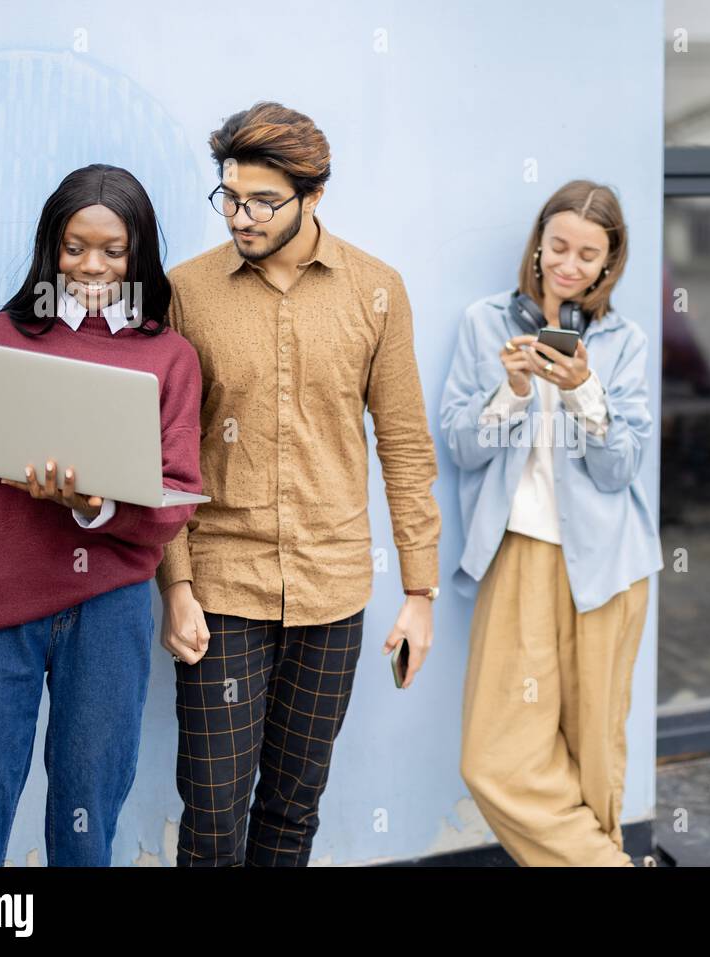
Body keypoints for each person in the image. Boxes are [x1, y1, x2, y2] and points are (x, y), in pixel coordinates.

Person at [0, 164, 204, 866]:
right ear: (50, 247)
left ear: (139, 253)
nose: (92, 265)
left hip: (110, 614)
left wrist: (97, 506)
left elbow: (176, 498)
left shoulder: (169, 357)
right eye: (74, 246)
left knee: (86, 830)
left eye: (113, 251)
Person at [155, 101, 442, 867]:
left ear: (313, 197)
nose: (240, 217)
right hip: (223, 585)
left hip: (333, 588)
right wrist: (176, 584)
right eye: (229, 196)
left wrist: (419, 592)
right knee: (212, 812)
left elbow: (406, 446)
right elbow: (165, 448)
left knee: (291, 808)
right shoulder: (186, 291)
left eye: (261, 202)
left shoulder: (378, 291)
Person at [440, 179, 663, 866]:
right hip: (517, 558)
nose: (569, 264)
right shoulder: (485, 322)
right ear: (537, 243)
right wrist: (509, 391)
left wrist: (582, 391)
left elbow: (619, 469)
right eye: (558, 245)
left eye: (588, 254)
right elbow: (460, 445)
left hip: (607, 565)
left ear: (609, 262)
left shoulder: (625, 341)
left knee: (594, 755)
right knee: (493, 758)